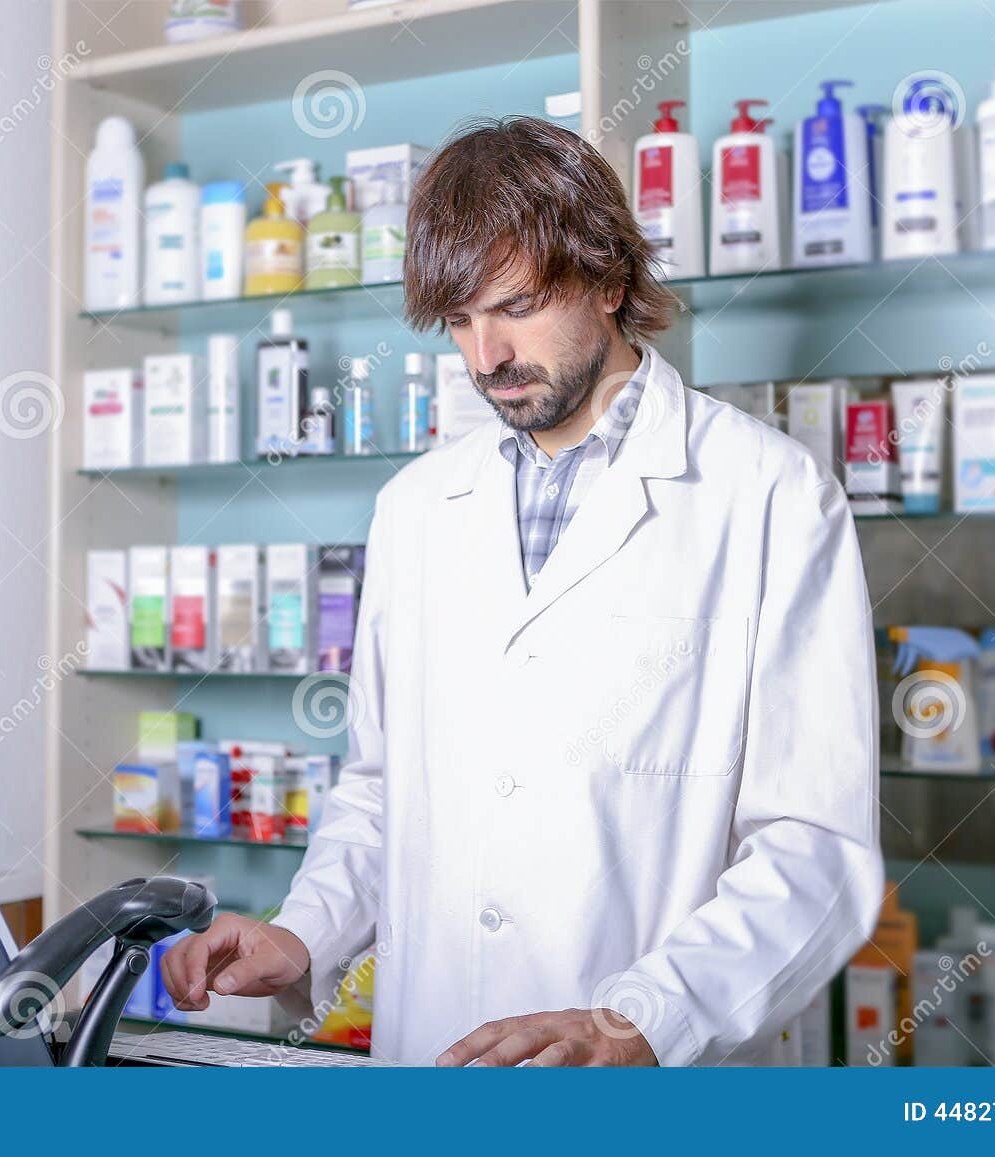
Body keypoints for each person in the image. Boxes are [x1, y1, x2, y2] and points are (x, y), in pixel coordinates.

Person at [162, 116, 883, 1066]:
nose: (486, 356)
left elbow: (815, 847)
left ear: (611, 280)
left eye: (516, 306)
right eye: (460, 319)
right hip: (431, 1051)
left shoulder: (769, 494)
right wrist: (304, 933)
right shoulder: (417, 504)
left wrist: (644, 1018)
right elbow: (382, 791)